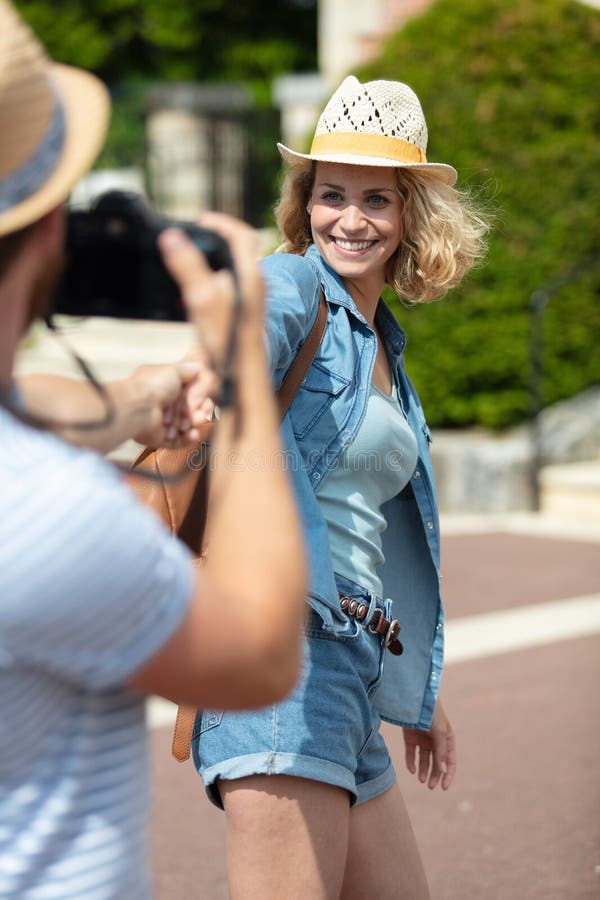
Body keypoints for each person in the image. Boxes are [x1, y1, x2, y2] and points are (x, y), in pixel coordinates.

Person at [0, 2, 307, 897]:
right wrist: (246, 384)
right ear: (52, 226)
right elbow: (260, 653)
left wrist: (132, 403)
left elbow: (22, 404)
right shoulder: (49, 515)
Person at [191, 75, 490, 899]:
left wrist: (416, 690)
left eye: (376, 199)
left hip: (355, 664)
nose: (349, 219)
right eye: (330, 194)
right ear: (305, 202)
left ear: (410, 220)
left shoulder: (384, 347)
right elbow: (249, 329)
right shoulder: (294, 287)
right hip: (288, 649)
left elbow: (373, 530)